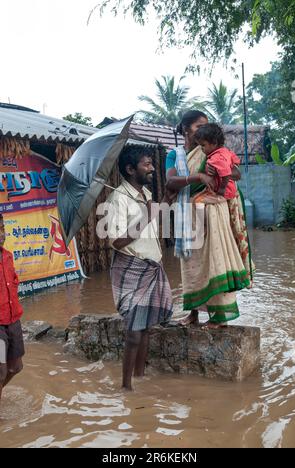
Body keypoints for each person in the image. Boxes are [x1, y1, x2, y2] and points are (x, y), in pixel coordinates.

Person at [166, 110, 253, 329]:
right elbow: (170, 183)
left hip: (214, 211)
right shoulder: (175, 154)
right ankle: (193, 314)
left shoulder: (214, 149)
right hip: (189, 214)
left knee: (216, 260)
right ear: (186, 129)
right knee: (192, 263)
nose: (202, 130)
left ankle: (219, 317)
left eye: (206, 126)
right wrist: (198, 177)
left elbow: (236, 174)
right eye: (198, 126)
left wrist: (217, 173)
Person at [105, 145, 174, 391]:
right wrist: (145, 216)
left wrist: (165, 200)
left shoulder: (145, 193)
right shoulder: (117, 199)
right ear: (130, 169)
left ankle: (140, 377)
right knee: (134, 331)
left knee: (145, 329)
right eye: (147, 164)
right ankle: (125, 387)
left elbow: (151, 226)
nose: (153, 169)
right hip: (131, 267)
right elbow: (116, 241)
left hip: (151, 265)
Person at [0, 213, 24, 401]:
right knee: (0, 370)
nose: (1, 234)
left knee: (16, 367)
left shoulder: (7, 256)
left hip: (14, 320)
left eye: (3, 229)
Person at [194, 122, 240, 199]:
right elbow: (236, 161)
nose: (201, 148)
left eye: (203, 145)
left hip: (223, 191)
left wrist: (222, 188)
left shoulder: (216, 158)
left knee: (196, 201)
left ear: (214, 143)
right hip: (231, 188)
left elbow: (226, 173)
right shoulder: (226, 151)